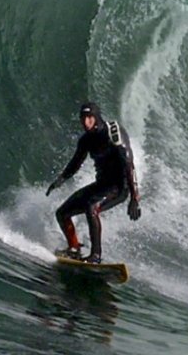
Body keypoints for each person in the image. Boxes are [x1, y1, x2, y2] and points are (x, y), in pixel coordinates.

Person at [46, 102, 141, 263]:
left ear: (97, 117)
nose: (86, 122)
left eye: (90, 118)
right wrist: (60, 180)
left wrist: (134, 198)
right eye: (83, 118)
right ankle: (74, 248)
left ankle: (95, 256)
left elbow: (128, 165)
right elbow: (75, 164)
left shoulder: (113, 132)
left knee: (92, 207)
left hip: (120, 187)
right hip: (102, 185)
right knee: (62, 213)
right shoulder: (86, 140)